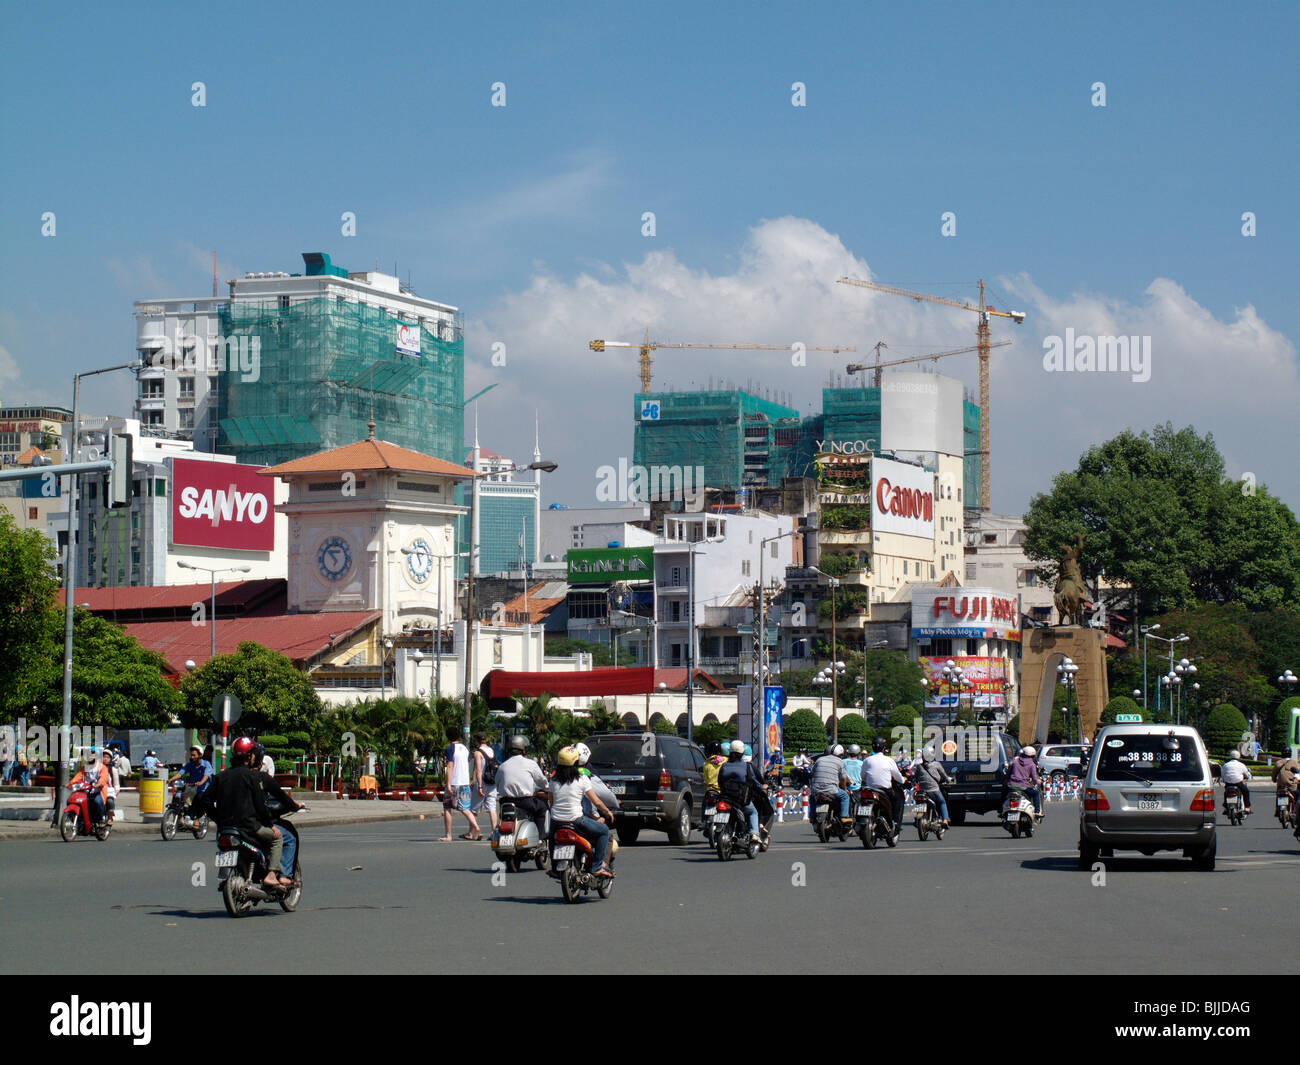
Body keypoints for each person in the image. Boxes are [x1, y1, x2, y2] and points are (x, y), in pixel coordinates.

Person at [197, 737, 293, 889]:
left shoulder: (221, 776)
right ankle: (271, 875)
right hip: (249, 827)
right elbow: (260, 806)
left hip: (225, 829)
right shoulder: (252, 776)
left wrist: (219, 819)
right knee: (277, 838)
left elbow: (205, 800)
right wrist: (270, 825)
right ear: (249, 756)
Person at [550, 746, 615, 877]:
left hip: (556, 821)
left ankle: (555, 867)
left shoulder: (553, 780)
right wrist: (607, 811)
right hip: (576, 821)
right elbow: (596, 802)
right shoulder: (582, 779)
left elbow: (551, 802)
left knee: (552, 839)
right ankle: (597, 867)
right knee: (604, 832)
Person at [496, 735, 549, 836]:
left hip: (506, 803)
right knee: (542, 808)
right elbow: (542, 781)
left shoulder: (503, 766)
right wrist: (547, 788)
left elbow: (497, 784)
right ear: (523, 749)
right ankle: (540, 838)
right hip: (525, 802)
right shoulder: (530, 764)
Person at [437, 726, 481, 841]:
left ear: (448, 737)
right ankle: (476, 826)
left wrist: (448, 783)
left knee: (447, 807)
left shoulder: (450, 749)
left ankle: (448, 835)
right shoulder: (465, 749)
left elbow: (450, 766)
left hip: (454, 782)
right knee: (465, 808)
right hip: (465, 783)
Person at [718, 739, 765, 840]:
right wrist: (762, 787)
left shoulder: (724, 766)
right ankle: (754, 833)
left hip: (725, 799)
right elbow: (753, 781)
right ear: (742, 753)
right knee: (753, 812)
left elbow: (720, 782)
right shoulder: (746, 766)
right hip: (741, 800)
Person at [861, 737, 906, 836]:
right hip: (884, 791)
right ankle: (896, 826)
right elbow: (898, 777)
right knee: (899, 799)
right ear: (883, 749)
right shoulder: (889, 760)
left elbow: (863, 776)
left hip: (869, 790)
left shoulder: (867, 760)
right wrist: (903, 780)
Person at [168, 746, 213, 823]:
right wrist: (171, 779)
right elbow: (180, 773)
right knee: (178, 797)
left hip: (203, 789)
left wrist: (201, 782)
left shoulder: (206, 764)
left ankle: (197, 819)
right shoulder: (190, 765)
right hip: (191, 788)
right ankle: (180, 816)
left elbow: (206, 776)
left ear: (200, 755)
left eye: (194, 755)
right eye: (191, 755)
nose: (192, 757)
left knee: (198, 798)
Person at [811, 743, 851, 824]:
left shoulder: (820, 759)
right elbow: (843, 778)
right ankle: (844, 816)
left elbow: (812, 773)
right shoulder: (840, 761)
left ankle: (812, 816)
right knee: (845, 796)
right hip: (831, 790)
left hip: (816, 789)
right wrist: (845, 789)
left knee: (812, 797)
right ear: (840, 754)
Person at [914, 746, 953, 827]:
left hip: (922, 791)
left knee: (919, 802)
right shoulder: (936, 764)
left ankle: (918, 818)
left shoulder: (919, 766)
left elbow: (915, 778)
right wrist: (949, 779)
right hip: (934, 790)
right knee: (942, 802)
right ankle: (945, 820)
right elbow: (945, 776)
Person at [70, 750, 109, 825]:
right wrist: (70, 783)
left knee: (97, 801)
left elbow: (103, 778)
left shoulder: (102, 767)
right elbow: (78, 776)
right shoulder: (85, 767)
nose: (91, 757)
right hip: (86, 791)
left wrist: (98, 784)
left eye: (93, 755)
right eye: (89, 756)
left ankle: (101, 818)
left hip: (97, 792)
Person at [471, 732, 499, 835]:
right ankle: (494, 832)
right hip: (492, 783)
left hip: (482, 782)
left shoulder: (478, 753)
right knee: (492, 808)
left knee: (474, 809)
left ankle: (473, 832)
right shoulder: (492, 750)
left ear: (477, 741)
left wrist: (479, 786)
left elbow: (478, 770)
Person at [1005, 745, 1042, 818]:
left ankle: (1001, 810)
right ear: (1033, 756)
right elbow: (1034, 778)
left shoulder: (1015, 760)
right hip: (1023, 787)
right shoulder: (1032, 764)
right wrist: (1037, 782)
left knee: (1004, 795)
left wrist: (1006, 780)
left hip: (1011, 785)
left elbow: (1008, 772)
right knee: (1035, 793)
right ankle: (1037, 812)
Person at [1221, 750, 1252, 815]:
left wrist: (1224, 780)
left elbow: (1222, 775)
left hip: (1228, 783)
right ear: (1238, 756)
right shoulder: (1241, 765)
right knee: (1246, 792)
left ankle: (1226, 807)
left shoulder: (1225, 765)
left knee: (1226, 793)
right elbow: (1247, 774)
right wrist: (1249, 777)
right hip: (1238, 783)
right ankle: (1247, 807)